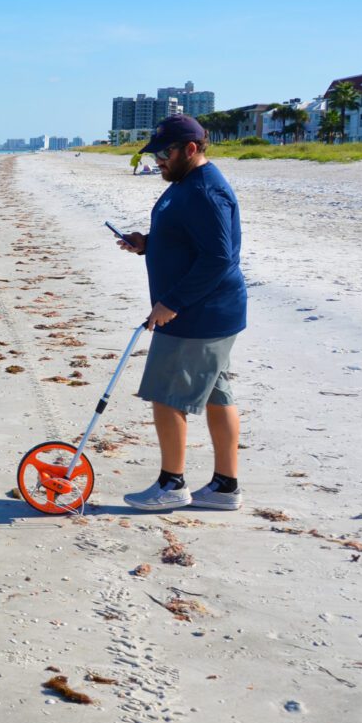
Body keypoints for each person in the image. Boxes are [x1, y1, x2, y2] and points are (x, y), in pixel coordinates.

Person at [115, 114, 247, 511]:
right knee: (217, 394)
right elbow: (189, 240)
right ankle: (225, 487)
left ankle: (172, 485)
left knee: (167, 395)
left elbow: (218, 258)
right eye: (154, 154)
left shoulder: (205, 191)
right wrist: (147, 243)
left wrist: (172, 303)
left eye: (164, 153)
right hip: (207, 311)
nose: (158, 160)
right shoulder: (185, 184)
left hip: (198, 314)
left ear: (191, 149)